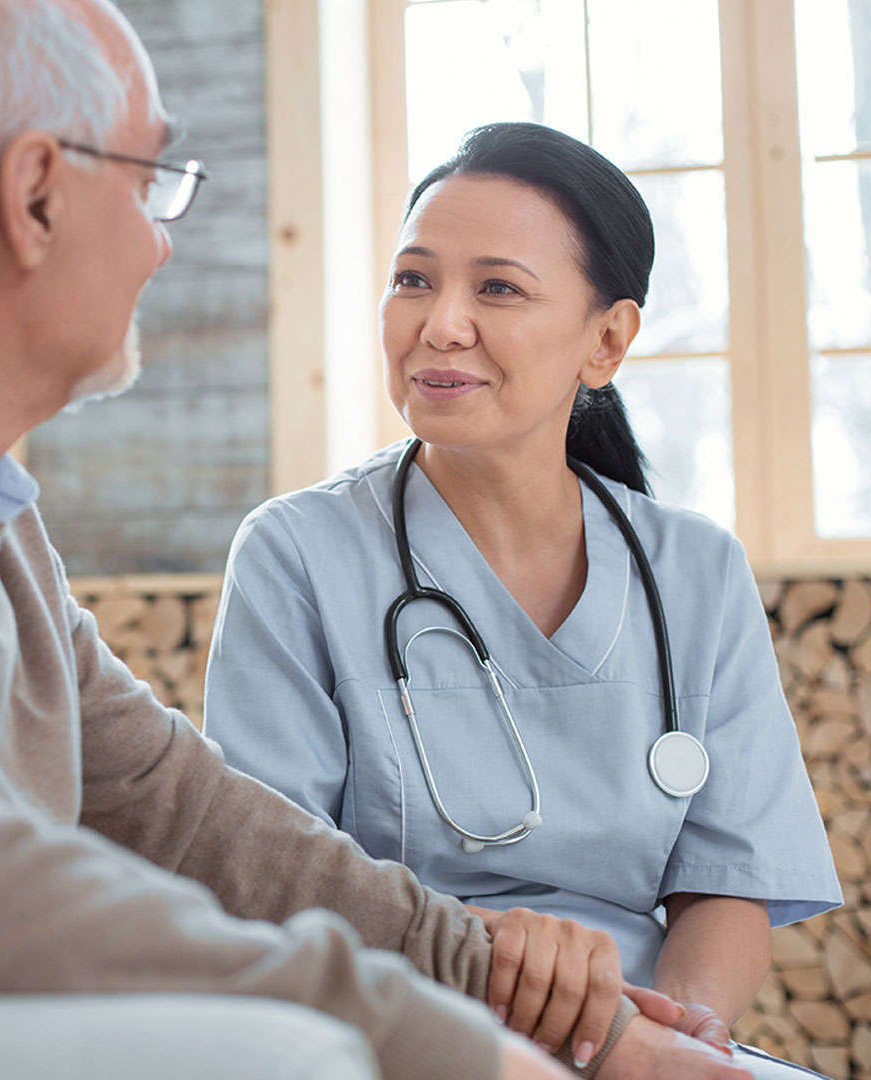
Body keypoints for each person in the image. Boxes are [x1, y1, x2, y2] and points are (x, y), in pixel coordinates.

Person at [0, 4, 757, 1079]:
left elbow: (190, 816)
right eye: (152, 180)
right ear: (33, 196)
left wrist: (531, 999)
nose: (165, 241)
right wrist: (457, 1045)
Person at [203, 122, 843, 1079]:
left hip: (648, 1040)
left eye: (497, 287)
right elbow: (267, 882)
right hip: (401, 1028)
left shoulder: (697, 571)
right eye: (414, 279)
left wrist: (679, 1037)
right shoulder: (297, 553)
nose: (440, 322)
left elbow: (728, 887)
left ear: (607, 340)